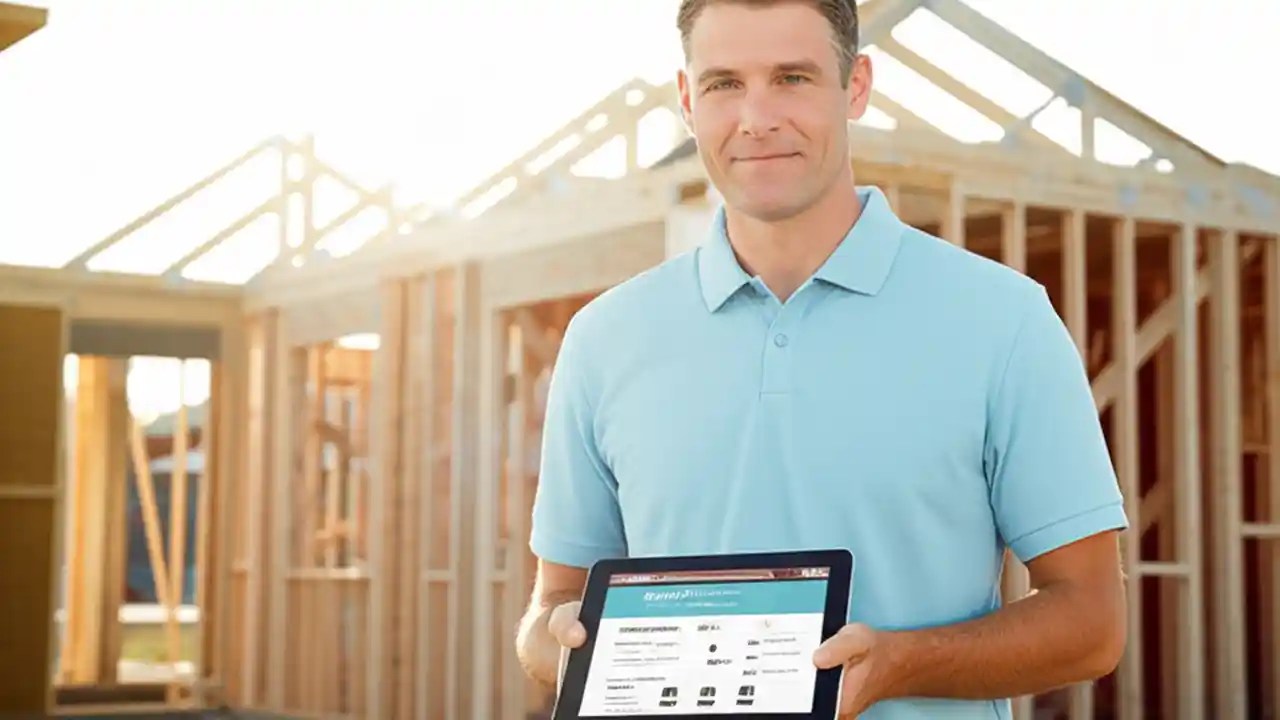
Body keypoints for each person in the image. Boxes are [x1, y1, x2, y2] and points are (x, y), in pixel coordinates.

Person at [515, 0, 1129, 716]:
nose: (757, 117)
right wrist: (556, 640)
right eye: (723, 84)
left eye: (792, 78)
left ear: (857, 86)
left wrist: (901, 665)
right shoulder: (603, 340)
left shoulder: (1004, 320)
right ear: (686, 100)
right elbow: (551, 606)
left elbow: (1091, 623)